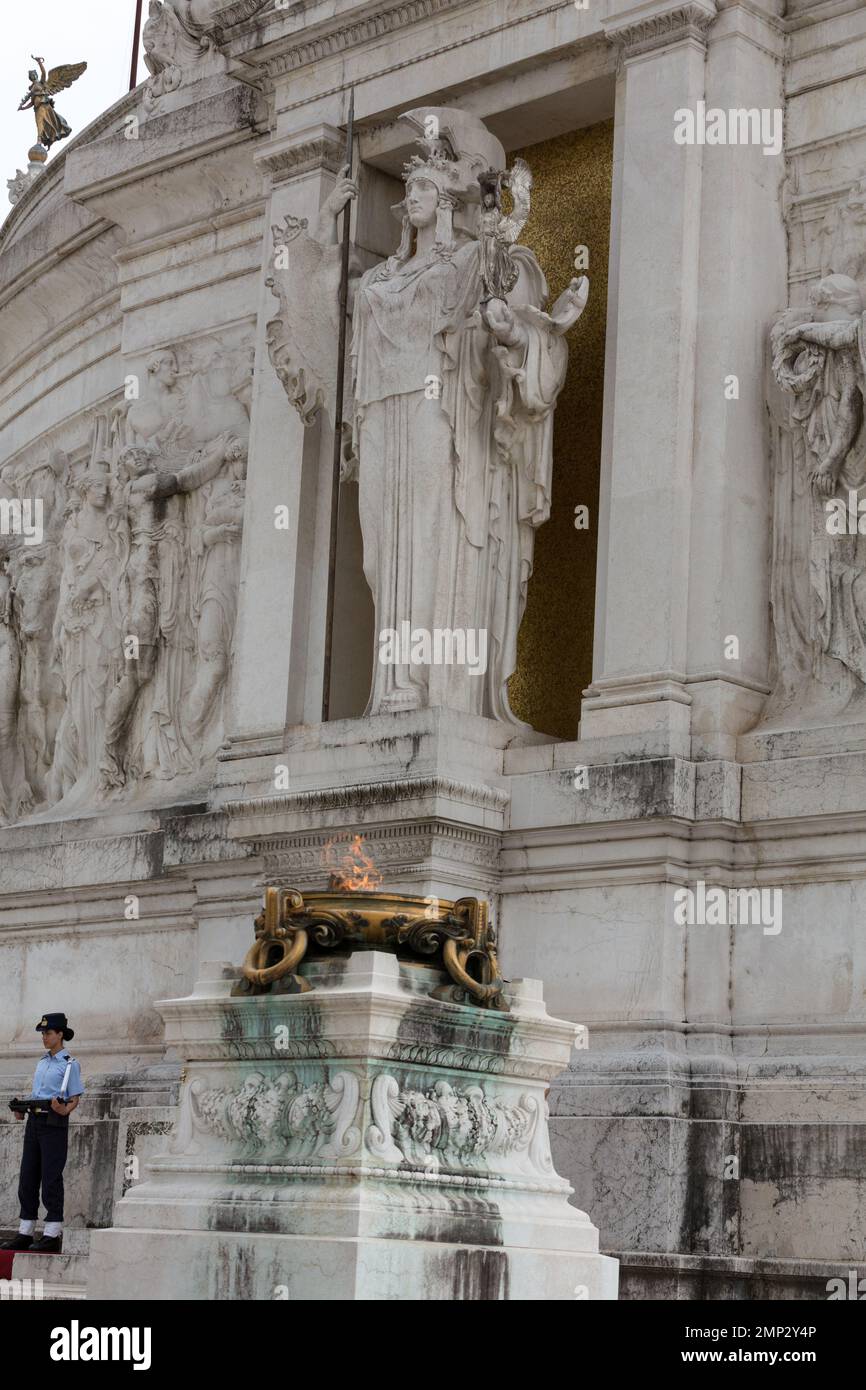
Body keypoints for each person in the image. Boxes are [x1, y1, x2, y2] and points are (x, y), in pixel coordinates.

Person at [1, 1012, 84, 1254]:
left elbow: (74, 1099)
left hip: (54, 1122)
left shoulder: (70, 1064)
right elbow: (38, 1093)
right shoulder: (42, 1062)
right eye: (43, 1034)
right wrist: (22, 1109)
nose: (44, 1038)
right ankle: (25, 1230)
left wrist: (64, 1108)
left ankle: (51, 1232)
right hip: (35, 1121)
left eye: (48, 1033)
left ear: (60, 1034)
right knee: (28, 1176)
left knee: (50, 1177)